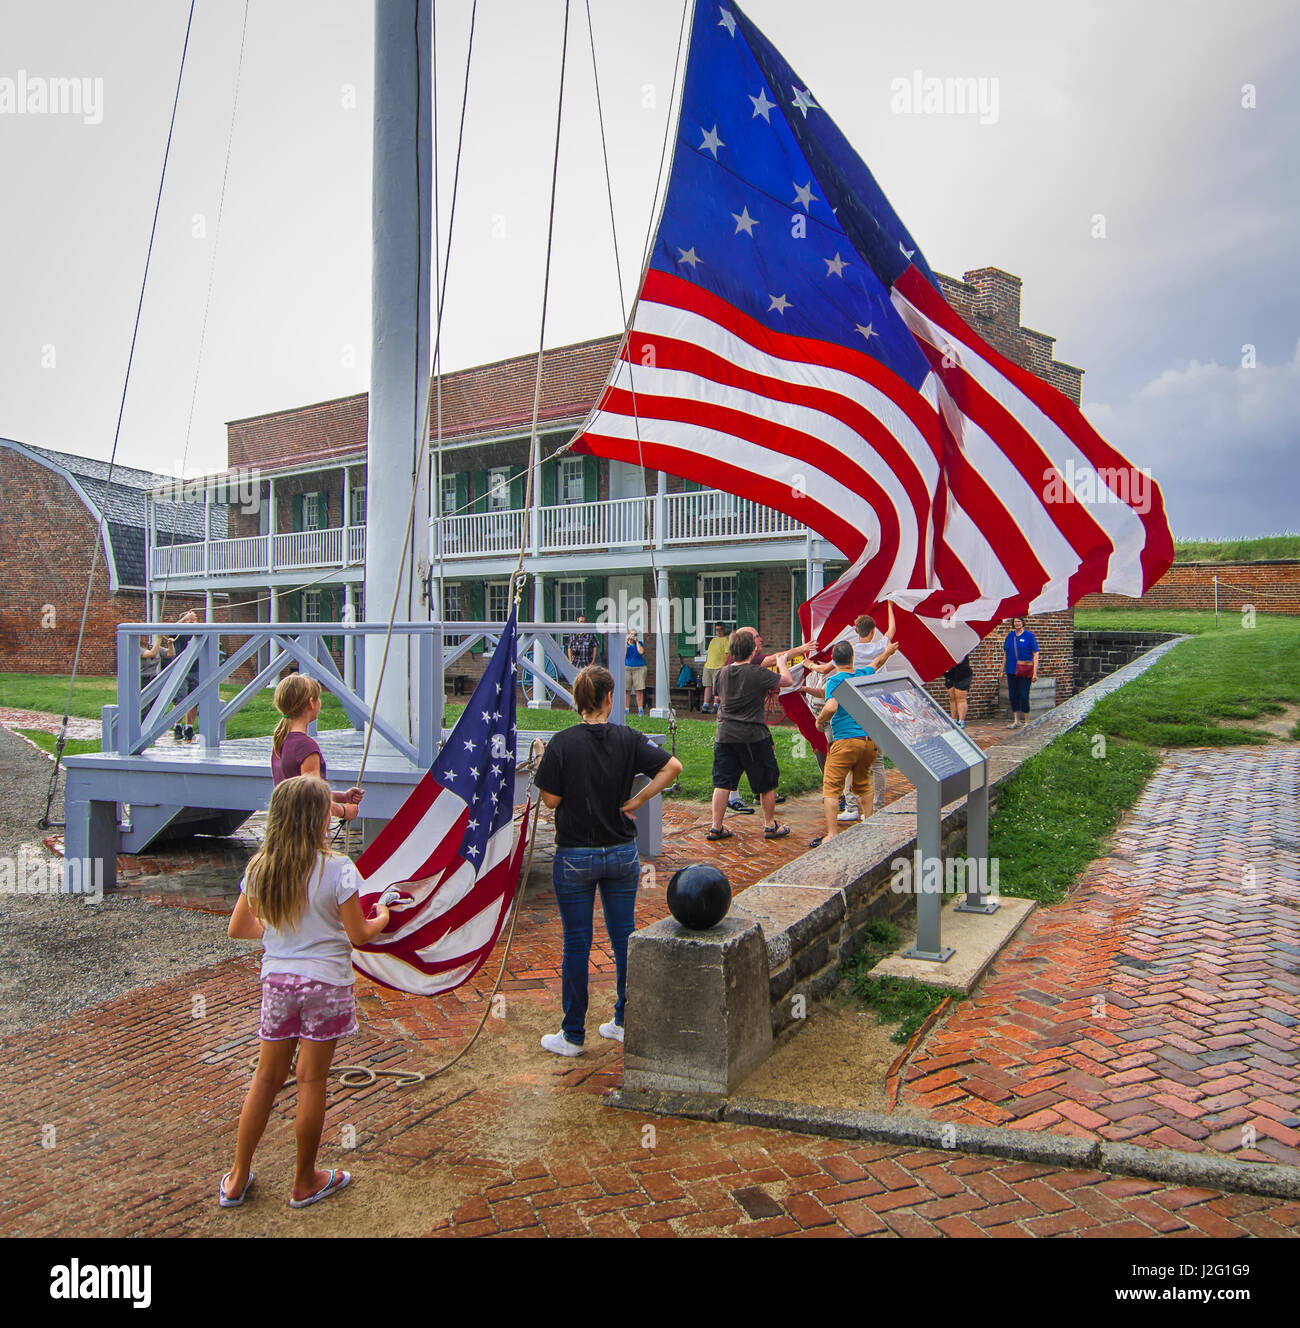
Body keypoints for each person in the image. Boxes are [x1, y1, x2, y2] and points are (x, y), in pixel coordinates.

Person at [222, 775, 392, 1208]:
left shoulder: (260, 867)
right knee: (311, 1081)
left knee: (265, 1077)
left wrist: (279, 931)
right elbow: (359, 935)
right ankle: (304, 1180)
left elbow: (239, 927)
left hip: (278, 982)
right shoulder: (339, 869)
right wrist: (384, 917)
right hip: (327, 984)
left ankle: (237, 1177)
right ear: (319, 819)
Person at [535, 666, 682, 1055]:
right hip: (620, 852)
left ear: (578, 700)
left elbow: (549, 799)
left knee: (577, 943)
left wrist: (541, 761)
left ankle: (572, 1034)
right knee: (623, 937)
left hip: (575, 855)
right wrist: (637, 801)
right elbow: (673, 767)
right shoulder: (628, 738)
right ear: (608, 698)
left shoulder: (561, 743)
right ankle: (623, 1018)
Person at [806, 606, 896, 820]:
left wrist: (808, 663)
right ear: (873, 631)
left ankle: (851, 808)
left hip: (850, 716)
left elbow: (824, 673)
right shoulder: (880, 647)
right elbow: (888, 638)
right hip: (877, 706)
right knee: (877, 763)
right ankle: (877, 807)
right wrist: (891, 606)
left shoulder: (849, 658)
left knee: (846, 762)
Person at [707, 630, 794, 841]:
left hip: (725, 735)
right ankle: (770, 825)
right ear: (752, 650)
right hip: (754, 736)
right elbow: (787, 681)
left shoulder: (722, 673)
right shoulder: (757, 672)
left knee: (722, 782)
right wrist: (782, 661)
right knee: (766, 783)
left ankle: (716, 827)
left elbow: (719, 694)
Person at [272, 673, 364, 822]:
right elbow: (312, 798)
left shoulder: (280, 740)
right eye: (318, 698)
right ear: (310, 703)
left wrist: (342, 796)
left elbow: (298, 794)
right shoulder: (306, 746)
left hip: (285, 823)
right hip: (305, 830)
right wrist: (344, 811)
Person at [1003, 615, 1039, 729]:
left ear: (1023, 623)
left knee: (1024, 695)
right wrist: (1001, 670)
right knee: (1013, 695)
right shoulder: (1010, 636)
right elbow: (1005, 653)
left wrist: (1035, 672)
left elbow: (1035, 654)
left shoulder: (1029, 636)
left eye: (1019, 621)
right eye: (1015, 622)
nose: (1017, 623)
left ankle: (1027, 720)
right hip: (1011, 669)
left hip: (1024, 670)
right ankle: (1016, 720)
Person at [171, 609, 202, 742]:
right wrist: (184, 619)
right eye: (190, 619)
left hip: (196, 670)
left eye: (194, 619)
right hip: (182, 670)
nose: (192, 621)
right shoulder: (179, 632)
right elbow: (170, 631)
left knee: (193, 701)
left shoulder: (200, 633)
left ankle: (189, 727)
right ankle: (177, 726)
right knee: (179, 701)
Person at [700, 621, 729, 713]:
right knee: (707, 686)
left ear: (724, 630)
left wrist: (724, 665)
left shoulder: (726, 640)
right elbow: (709, 653)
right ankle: (705, 704)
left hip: (719, 666)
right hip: (708, 666)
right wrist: (706, 663)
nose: (719, 632)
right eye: (717, 630)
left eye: (720, 630)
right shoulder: (712, 640)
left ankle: (716, 705)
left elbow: (728, 654)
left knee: (716, 687)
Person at [944, 651, 974, 728]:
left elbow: (959, 660)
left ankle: (961, 721)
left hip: (962, 674)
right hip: (950, 674)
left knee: (960, 698)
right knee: (952, 697)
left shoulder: (961, 648)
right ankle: (953, 719)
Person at [624, 629, 648, 715]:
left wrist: (636, 641)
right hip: (627, 668)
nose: (632, 636)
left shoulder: (640, 643)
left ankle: (640, 710)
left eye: (634, 635)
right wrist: (626, 641)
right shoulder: (625, 644)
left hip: (639, 667)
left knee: (639, 690)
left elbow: (641, 652)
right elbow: (623, 653)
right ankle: (626, 709)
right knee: (627, 690)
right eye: (631, 634)